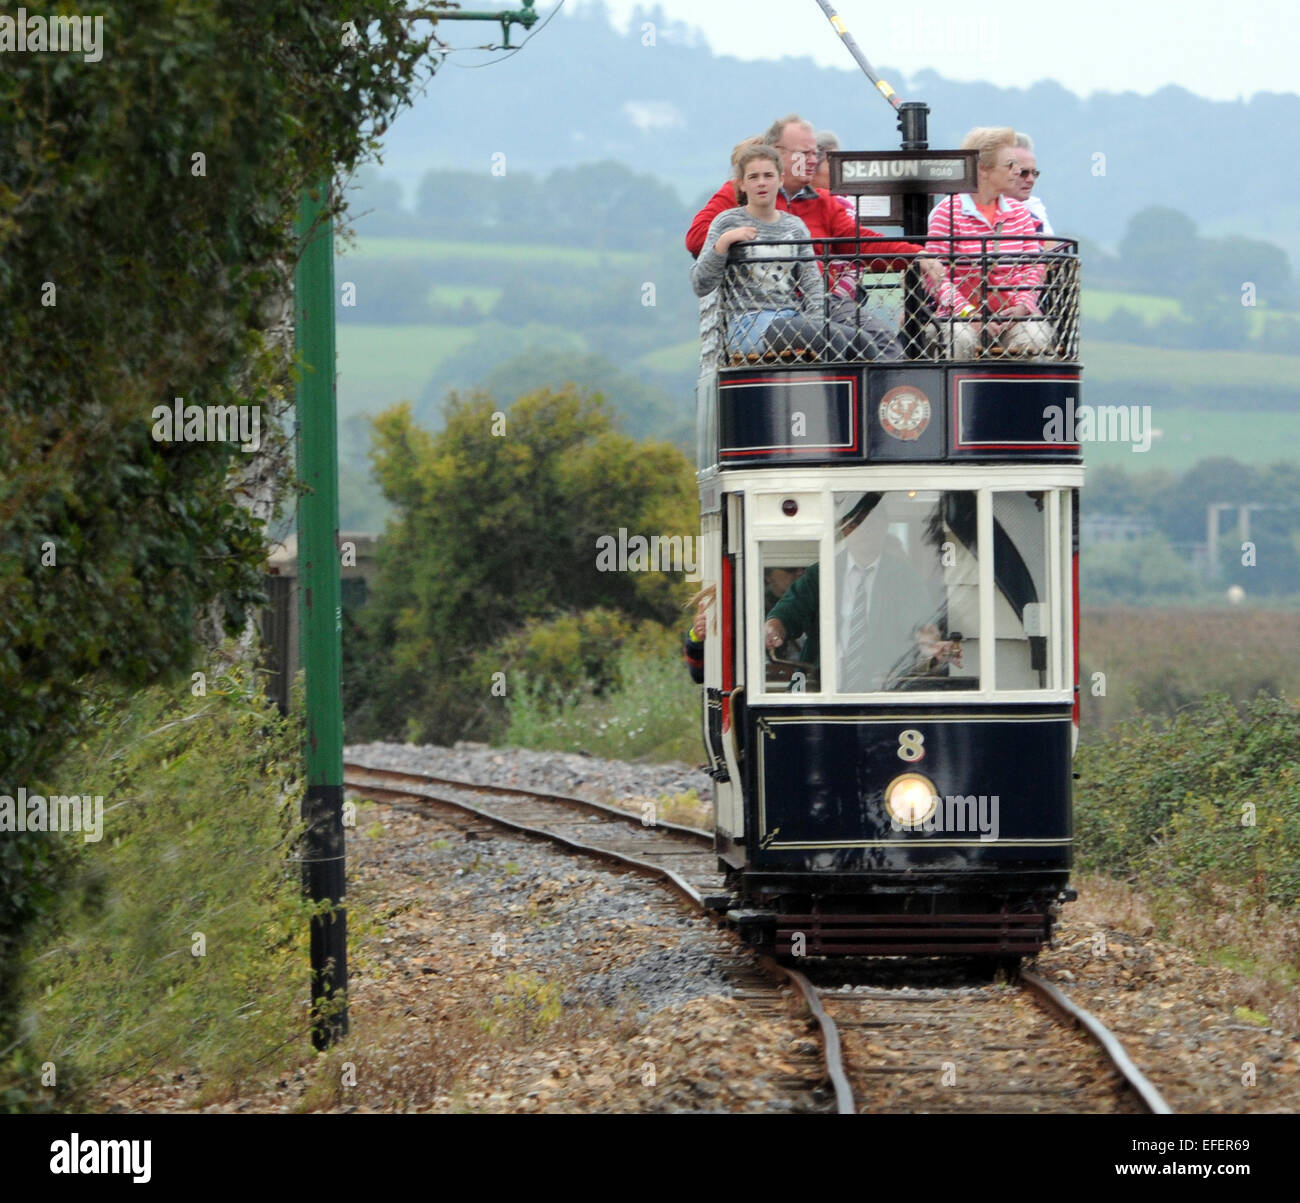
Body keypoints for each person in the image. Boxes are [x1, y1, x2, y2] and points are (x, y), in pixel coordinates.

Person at [690, 144, 882, 361]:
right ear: (742, 184)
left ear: (780, 180)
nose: (762, 182)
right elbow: (701, 283)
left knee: (863, 343)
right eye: (753, 177)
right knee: (834, 340)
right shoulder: (726, 222)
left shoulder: (795, 226)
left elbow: (811, 282)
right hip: (748, 324)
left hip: (791, 318)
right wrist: (723, 244)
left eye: (768, 175)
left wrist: (815, 322)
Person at [764, 493, 961, 692]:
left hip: (881, 691)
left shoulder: (903, 576)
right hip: (820, 691)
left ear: (885, 526)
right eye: (856, 523)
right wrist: (774, 629)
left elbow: (921, 623)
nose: (864, 530)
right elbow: (788, 611)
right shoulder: (822, 573)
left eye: (872, 522)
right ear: (844, 528)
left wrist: (932, 645)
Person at [925, 126, 1053, 358]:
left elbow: (1034, 267)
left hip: (1013, 317)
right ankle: (957, 393)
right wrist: (969, 314)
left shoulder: (1020, 213)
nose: (1017, 171)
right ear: (983, 169)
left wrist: (1022, 307)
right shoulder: (947, 213)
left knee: (1036, 337)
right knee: (959, 338)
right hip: (959, 318)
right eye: (1010, 165)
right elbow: (935, 277)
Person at [1007, 133, 1054, 238]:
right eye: (1023, 173)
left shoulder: (1033, 205)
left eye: (1034, 173)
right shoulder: (970, 206)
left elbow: (1050, 246)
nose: (1031, 180)